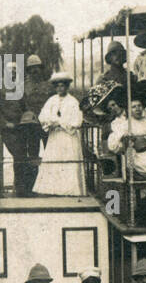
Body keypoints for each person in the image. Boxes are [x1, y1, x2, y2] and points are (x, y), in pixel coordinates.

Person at [1, 54, 49, 195]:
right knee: (19, 156)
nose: (13, 73)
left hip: (24, 128)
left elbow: (24, 107)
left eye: (16, 70)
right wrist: (4, 123)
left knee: (26, 157)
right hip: (8, 129)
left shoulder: (19, 88)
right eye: (11, 70)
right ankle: (20, 189)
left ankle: (27, 188)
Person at [32, 72, 85, 195]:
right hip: (55, 137)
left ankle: (70, 191)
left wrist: (60, 122)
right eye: (57, 86)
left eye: (62, 86)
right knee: (55, 160)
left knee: (68, 161)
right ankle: (54, 190)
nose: (60, 88)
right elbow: (43, 115)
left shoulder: (73, 102)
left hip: (68, 136)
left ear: (67, 87)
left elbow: (77, 120)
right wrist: (51, 121)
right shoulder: (52, 100)